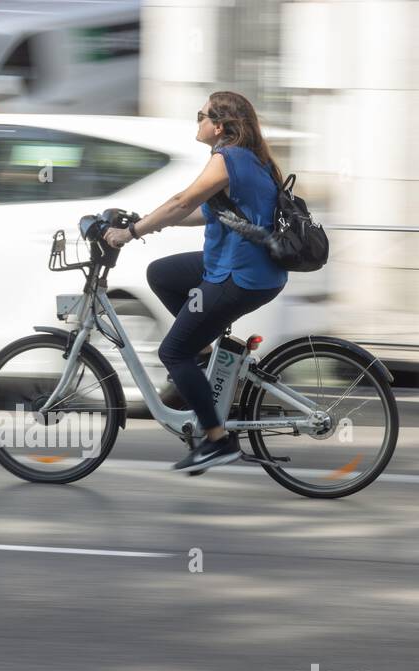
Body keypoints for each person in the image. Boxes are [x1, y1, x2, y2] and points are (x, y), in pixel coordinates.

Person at [104, 91, 288, 473]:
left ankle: (217, 440)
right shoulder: (249, 159)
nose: (198, 122)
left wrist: (132, 232)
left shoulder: (228, 158)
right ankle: (204, 352)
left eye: (201, 115)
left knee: (173, 353)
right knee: (162, 274)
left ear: (219, 126)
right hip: (240, 268)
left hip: (239, 275)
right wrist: (147, 221)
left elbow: (181, 202)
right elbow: (203, 213)